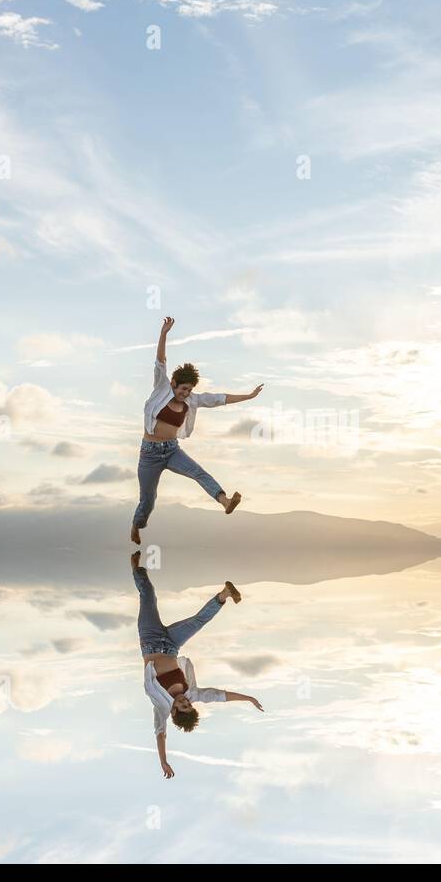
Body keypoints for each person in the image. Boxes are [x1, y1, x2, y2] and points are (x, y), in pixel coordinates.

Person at [131, 316, 263, 544]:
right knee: (148, 499)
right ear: (173, 383)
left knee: (199, 473)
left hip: (172, 451)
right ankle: (137, 525)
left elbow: (220, 398)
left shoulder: (192, 400)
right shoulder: (161, 387)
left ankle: (225, 501)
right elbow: (160, 361)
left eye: (190, 389)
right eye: (183, 388)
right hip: (149, 454)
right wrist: (163, 334)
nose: (186, 393)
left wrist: (248, 396)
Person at [132, 552, 264, 779]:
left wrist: (163, 761)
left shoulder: (161, 707)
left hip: (150, 640)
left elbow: (160, 734)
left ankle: (136, 568)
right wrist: (249, 698)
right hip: (172, 644)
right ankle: (225, 594)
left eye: (182, 706)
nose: (185, 702)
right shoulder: (193, 694)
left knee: (148, 595)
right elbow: (219, 696)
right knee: (198, 621)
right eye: (189, 706)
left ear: (173, 711)